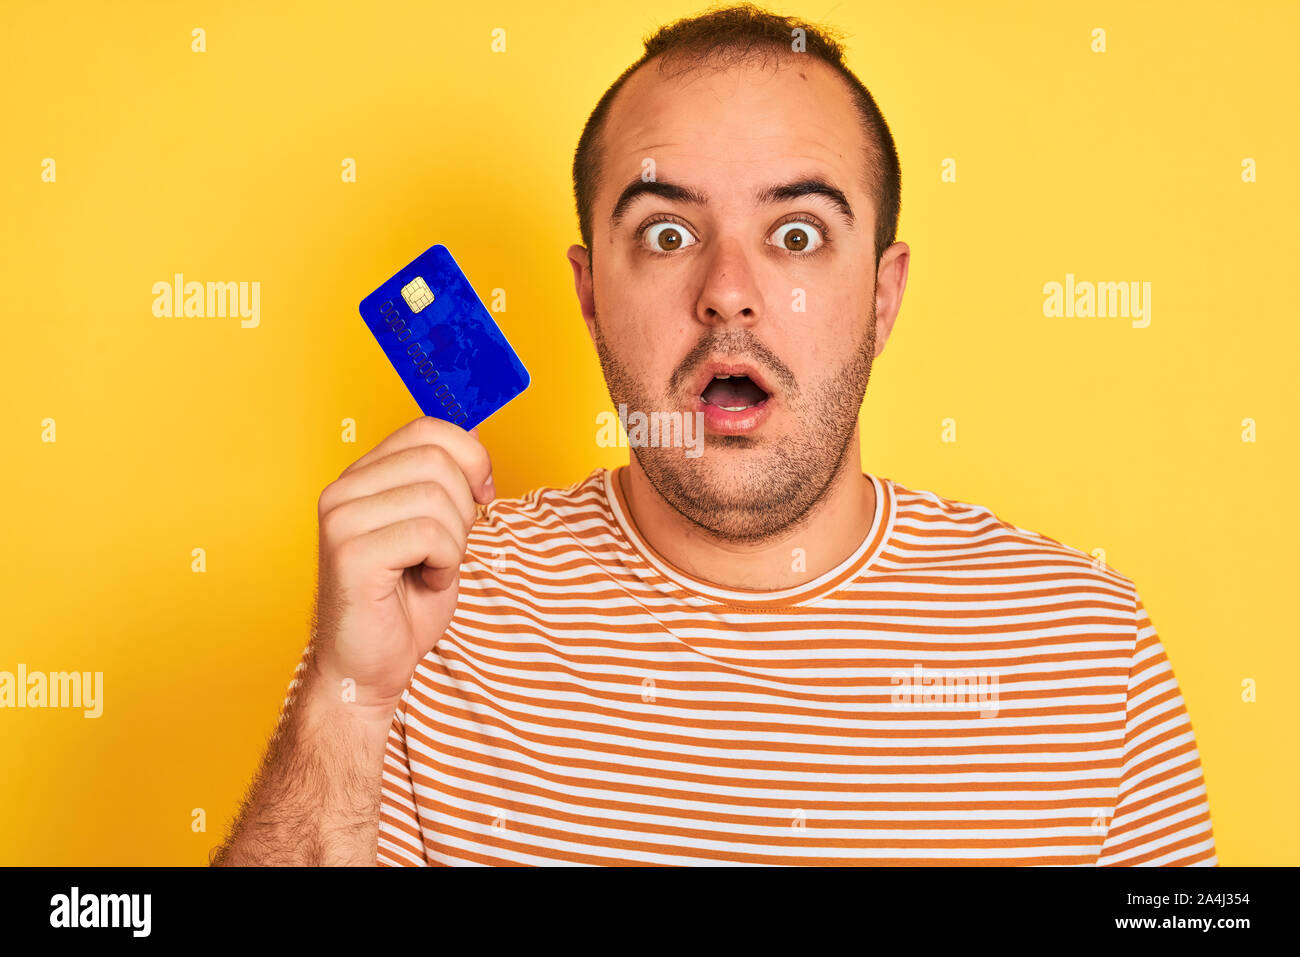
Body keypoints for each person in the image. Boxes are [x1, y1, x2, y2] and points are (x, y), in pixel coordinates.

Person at [212, 4, 1215, 866]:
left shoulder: (1087, 649)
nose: (728, 293)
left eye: (796, 234)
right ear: (590, 294)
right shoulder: (427, 618)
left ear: (882, 294)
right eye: (664, 232)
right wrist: (347, 700)